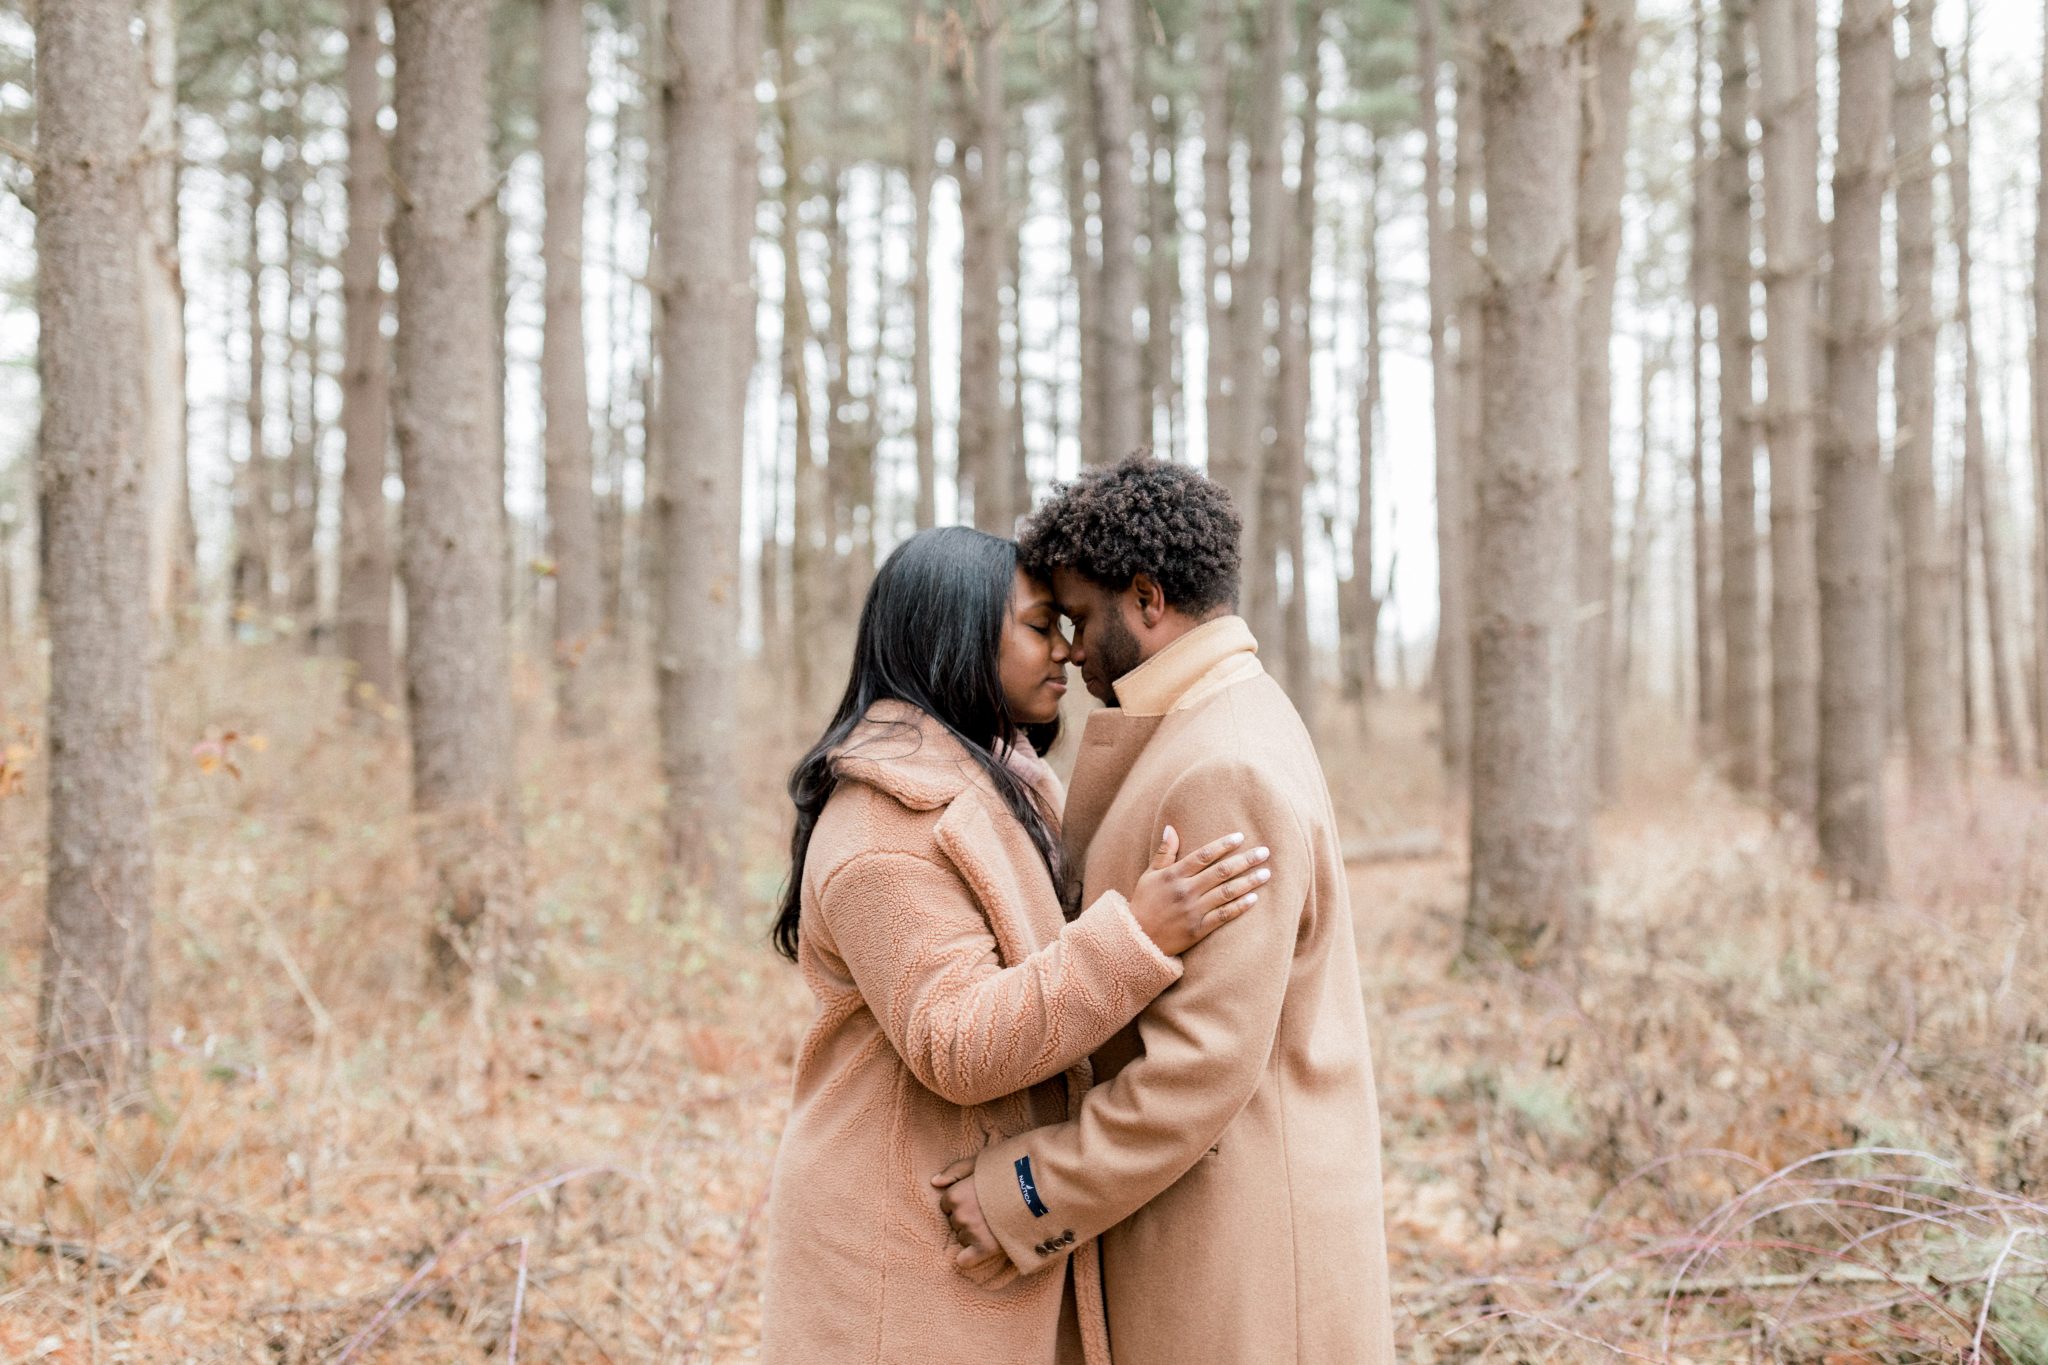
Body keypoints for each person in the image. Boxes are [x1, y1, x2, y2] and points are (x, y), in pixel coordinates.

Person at [759, 526, 1274, 1365]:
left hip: (975, 1236)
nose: (1068, 651)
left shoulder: (1009, 785)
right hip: (898, 1253)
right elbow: (955, 1041)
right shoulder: (882, 824)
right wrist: (1138, 934)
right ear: (955, 633)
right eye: (1040, 626)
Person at [936, 456, 1396, 1364]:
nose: (1067, 646)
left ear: (1146, 599)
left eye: (1078, 615)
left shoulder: (1224, 761)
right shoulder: (1218, 719)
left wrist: (1021, 1191)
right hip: (1206, 1222)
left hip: (1241, 1253)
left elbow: (1199, 1068)